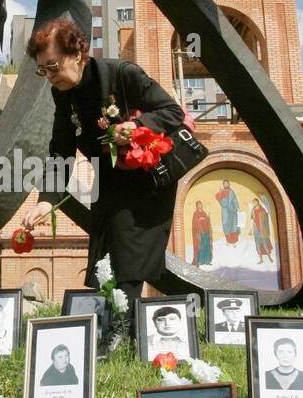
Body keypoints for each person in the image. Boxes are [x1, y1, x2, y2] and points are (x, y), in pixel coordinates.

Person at [21, 18, 186, 338]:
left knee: (128, 257)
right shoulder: (63, 95)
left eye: (52, 66)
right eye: (43, 70)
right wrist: (46, 200)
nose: (49, 76)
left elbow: (172, 113)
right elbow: (61, 150)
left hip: (145, 181)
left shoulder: (123, 74)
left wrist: (136, 127)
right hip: (108, 183)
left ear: (78, 53)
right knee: (103, 259)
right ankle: (112, 331)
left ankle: (124, 336)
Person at [216, 179, 240, 244]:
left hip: (232, 210)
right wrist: (220, 193)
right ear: (223, 184)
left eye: (227, 183)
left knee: (233, 224)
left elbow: (235, 199)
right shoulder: (222, 192)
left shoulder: (231, 191)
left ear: (228, 184)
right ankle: (228, 240)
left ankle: (234, 241)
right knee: (225, 224)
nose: (226, 184)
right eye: (224, 183)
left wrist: (236, 206)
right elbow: (218, 197)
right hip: (225, 210)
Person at [250, 196, 273, 263]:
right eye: (253, 202)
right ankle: (261, 260)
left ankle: (269, 257)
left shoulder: (262, 209)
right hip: (256, 229)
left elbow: (265, 217)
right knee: (258, 245)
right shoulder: (253, 210)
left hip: (262, 229)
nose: (254, 203)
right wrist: (251, 229)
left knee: (265, 244)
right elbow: (252, 220)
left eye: (255, 201)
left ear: (258, 202)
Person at [191, 200, 213, 266]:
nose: (200, 206)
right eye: (199, 205)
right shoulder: (195, 213)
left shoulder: (204, 212)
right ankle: (200, 261)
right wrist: (199, 220)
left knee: (207, 246)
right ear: (196, 206)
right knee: (201, 247)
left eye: (201, 204)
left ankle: (207, 261)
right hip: (201, 233)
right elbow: (195, 222)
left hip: (206, 232)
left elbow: (207, 221)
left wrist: (207, 217)